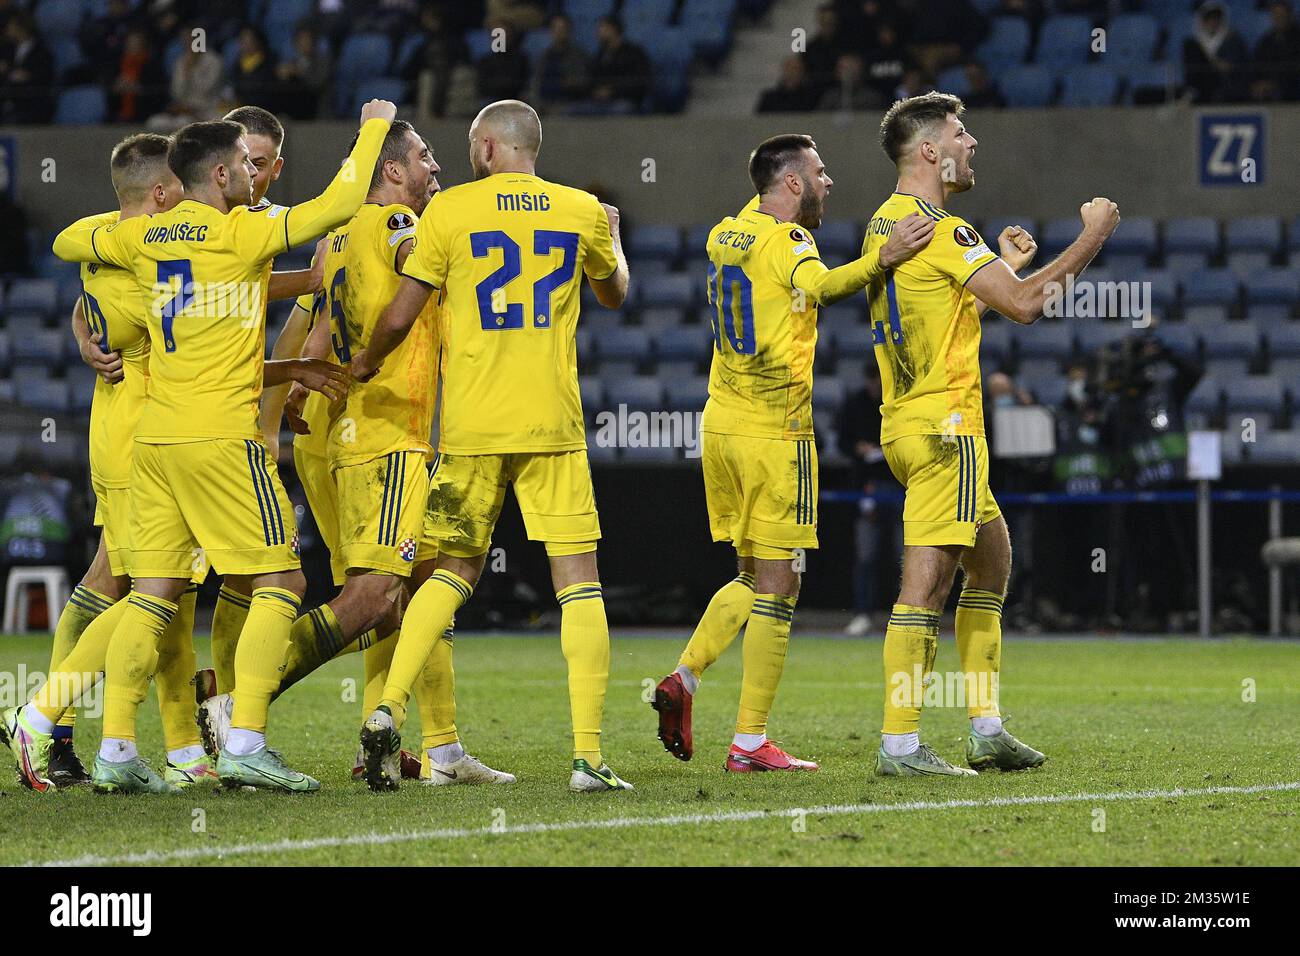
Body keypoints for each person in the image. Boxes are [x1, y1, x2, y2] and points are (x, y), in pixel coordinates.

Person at [34, 100, 398, 794]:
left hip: (156, 442)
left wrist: (90, 317)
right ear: (225, 171)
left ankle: (113, 752)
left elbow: (68, 245)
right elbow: (343, 199)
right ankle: (246, 742)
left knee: (151, 594)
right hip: (222, 440)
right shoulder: (242, 236)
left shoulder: (146, 239)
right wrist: (374, 124)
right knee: (283, 582)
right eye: (245, 165)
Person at [349, 99, 633, 793]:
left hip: (471, 426)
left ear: (484, 149)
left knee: (448, 575)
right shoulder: (582, 209)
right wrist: (615, 239)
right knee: (579, 583)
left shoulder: (449, 214)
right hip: (552, 426)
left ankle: (387, 710)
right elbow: (615, 293)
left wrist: (360, 364)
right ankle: (588, 759)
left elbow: (401, 313)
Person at [649, 136, 933, 772]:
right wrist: (881, 260)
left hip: (720, 424)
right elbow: (824, 287)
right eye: (821, 173)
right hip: (776, 432)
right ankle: (749, 741)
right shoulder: (789, 241)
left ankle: (685, 678)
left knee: (752, 576)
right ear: (794, 184)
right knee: (782, 586)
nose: (830, 183)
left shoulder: (725, 233)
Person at [865, 92, 1118, 776]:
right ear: (929, 152)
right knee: (924, 587)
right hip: (947, 430)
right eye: (959, 132)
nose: (971, 142)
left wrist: (999, 265)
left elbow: (954, 306)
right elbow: (1030, 306)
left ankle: (985, 727)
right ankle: (899, 744)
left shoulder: (887, 225)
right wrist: (1094, 233)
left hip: (908, 425)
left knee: (992, 562)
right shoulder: (941, 229)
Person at [275, 119, 515, 787]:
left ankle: (431, 748)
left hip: (339, 430)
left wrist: (300, 385)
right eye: (423, 157)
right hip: (381, 433)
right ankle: (239, 696)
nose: (435, 167)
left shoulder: (342, 234)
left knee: (417, 588)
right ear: (390, 172)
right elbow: (423, 280)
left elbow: (324, 320)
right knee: (379, 595)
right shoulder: (398, 225)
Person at [836, 361, 900, 637]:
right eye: (872, 379)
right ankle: (863, 613)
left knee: (906, 557)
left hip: (901, 486)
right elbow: (841, 440)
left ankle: (908, 614)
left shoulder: (899, 401)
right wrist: (857, 448)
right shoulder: (855, 403)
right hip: (865, 488)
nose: (875, 385)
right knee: (865, 557)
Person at [1183, 1, 1249, 105]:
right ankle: (1191, 91)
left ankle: (1192, 92)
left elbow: (1228, 67)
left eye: (1216, 18)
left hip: (1226, 84)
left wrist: (1209, 60)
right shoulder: (1196, 42)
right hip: (1204, 84)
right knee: (1190, 46)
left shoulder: (1232, 40)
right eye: (1209, 18)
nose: (1213, 22)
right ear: (1202, 21)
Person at [590, 15, 651, 112]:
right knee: (573, 111)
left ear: (614, 30)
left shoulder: (634, 53)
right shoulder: (600, 55)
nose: (598, 32)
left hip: (626, 101)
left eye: (602, 27)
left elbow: (640, 82)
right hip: (600, 102)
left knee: (620, 109)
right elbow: (593, 78)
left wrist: (612, 91)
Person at [0, 12, 53, 124]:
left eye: (11, 25)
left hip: (29, 106)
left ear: (21, 27)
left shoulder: (41, 52)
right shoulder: (7, 50)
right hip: (6, 102)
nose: (7, 29)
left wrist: (28, 76)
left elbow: (44, 77)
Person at [537, 13, 591, 110]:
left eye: (563, 29)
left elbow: (581, 82)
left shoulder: (579, 56)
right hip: (545, 103)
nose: (559, 32)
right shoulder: (544, 56)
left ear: (569, 31)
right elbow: (537, 81)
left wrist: (565, 83)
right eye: (556, 28)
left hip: (569, 103)